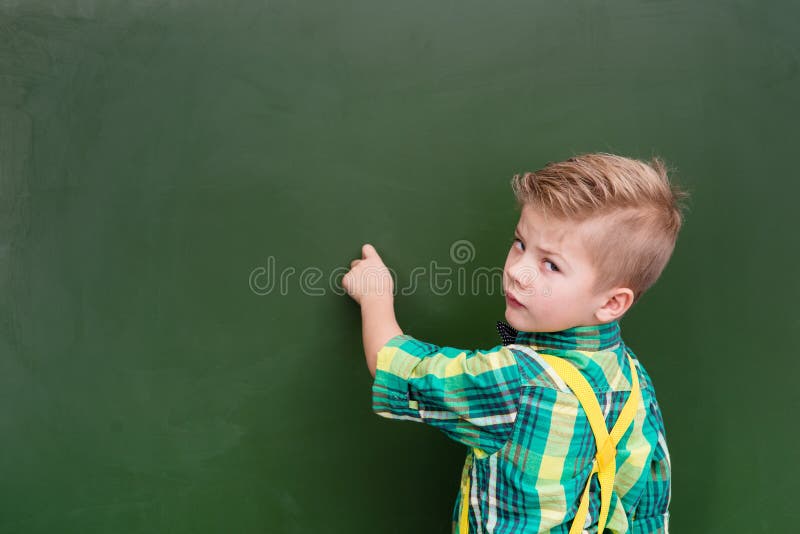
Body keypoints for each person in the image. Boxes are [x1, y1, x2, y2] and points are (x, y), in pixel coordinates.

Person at [343, 153, 690, 533]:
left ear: (611, 303)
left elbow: (396, 367)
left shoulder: (516, 382)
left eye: (551, 265)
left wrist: (375, 296)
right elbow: (647, 504)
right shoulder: (633, 380)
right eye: (520, 243)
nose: (517, 271)